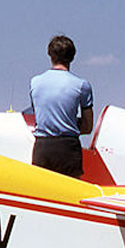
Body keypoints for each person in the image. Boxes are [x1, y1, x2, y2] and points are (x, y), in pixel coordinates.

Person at [29, 34, 93, 177]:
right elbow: (88, 127)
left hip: (42, 148)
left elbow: (38, 116)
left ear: (50, 55)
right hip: (68, 149)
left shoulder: (35, 83)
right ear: (72, 57)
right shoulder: (82, 85)